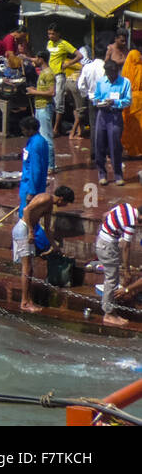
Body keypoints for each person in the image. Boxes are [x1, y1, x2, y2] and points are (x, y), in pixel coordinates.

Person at [13, 186, 75, 313]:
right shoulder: (45, 198)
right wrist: (31, 231)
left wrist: (55, 246)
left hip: (26, 230)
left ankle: (28, 300)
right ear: (61, 199)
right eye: (66, 203)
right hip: (23, 229)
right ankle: (24, 303)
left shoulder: (49, 206)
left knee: (29, 268)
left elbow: (47, 229)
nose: (64, 205)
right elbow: (26, 210)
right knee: (27, 268)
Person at [95, 202, 139, 326]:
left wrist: (111, 231)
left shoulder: (125, 206)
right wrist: (126, 270)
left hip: (102, 240)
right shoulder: (131, 222)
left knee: (111, 278)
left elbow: (105, 215)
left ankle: (110, 310)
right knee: (111, 280)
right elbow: (126, 247)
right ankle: (109, 314)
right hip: (108, 246)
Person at [93, 57, 132, 185]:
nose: (111, 76)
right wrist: (99, 102)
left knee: (115, 144)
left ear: (117, 71)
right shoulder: (101, 82)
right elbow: (96, 98)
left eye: (114, 73)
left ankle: (118, 175)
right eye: (109, 73)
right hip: (102, 114)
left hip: (115, 115)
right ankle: (102, 173)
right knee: (99, 143)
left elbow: (128, 100)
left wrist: (115, 102)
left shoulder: (125, 82)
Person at [17, 114, 50, 219]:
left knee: (27, 217)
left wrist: (31, 192)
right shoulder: (35, 141)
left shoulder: (37, 143)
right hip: (28, 184)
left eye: (24, 130)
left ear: (31, 129)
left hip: (30, 186)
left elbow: (36, 169)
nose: (23, 132)